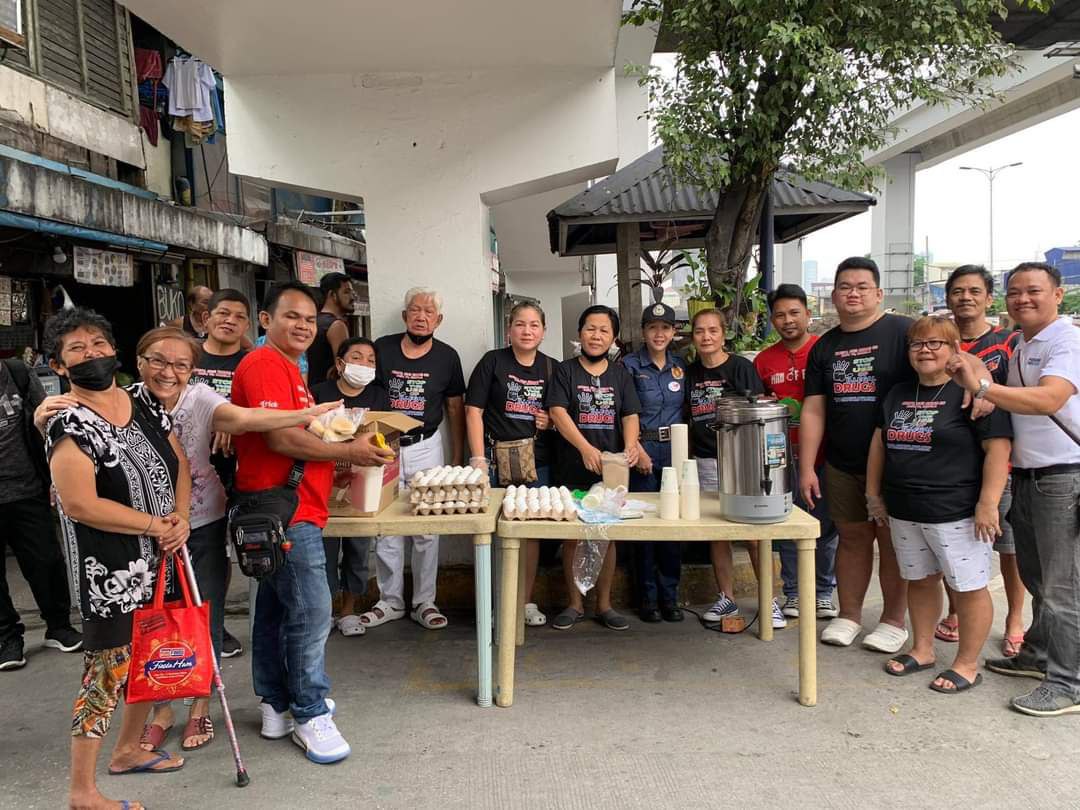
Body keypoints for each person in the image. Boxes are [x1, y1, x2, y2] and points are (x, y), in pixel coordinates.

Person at [35, 325, 339, 752]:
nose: (168, 371)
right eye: (158, 360)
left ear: (193, 370)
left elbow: (234, 425)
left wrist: (305, 415)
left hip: (196, 526)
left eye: (181, 364)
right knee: (147, 632)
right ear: (137, 362)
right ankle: (157, 712)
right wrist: (40, 415)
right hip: (130, 542)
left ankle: (198, 708)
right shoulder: (108, 404)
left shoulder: (176, 400)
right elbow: (74, 477)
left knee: (202, 619)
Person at [231, 281, 395, 762]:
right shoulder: (263, 364)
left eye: (309, 319)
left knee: (278, 610)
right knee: (312, 610)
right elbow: (281, 440)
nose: (303, 325)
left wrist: (335, 447)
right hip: (284, 509)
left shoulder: (290, 369)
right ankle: (309, 712)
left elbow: (295, 433)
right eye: (291, 316)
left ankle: (277, 704)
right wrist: (349, 450)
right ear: (267, 321)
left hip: (290, 503)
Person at [43, 308, 191, 810]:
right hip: (110, 569)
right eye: (77, 349)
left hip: (163, 558)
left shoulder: (143, 401)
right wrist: (156, 525)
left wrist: (181, 518)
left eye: (99, 344)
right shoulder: (67, 420)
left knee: (150, 661)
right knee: (106, 672)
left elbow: (180, 462)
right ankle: (82, 792)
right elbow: (80, 503)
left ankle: (128, 750)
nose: (92, 354)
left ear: (115, 351)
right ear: (59, 365)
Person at [946, 261, 1080, 717]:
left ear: (1058, 295)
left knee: (1064, 587)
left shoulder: (1067, 339)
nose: (1023, 299)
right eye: (1016, 292)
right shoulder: (1022, 343)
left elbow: (1049, 399)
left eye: (1034, 291)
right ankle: (1038, 655)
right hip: (1028, 474)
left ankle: (1068, 684)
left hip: (1064, 475)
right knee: (1038, 576)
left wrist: (985, 387)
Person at [867, 316, 1011, 693]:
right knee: (919, 580)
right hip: (905, 509)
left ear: (954, 350)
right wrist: (874, 494)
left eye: (936, 344)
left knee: (968, 586)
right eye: (918, 344)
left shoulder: (973, 394)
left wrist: (988, 503)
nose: (926, 350)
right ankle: (923, 648)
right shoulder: (898, 393)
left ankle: (966, 664)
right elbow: (879, 445)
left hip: (956, 511)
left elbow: (998, 449)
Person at [800, 257, 914, 653]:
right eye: (845, 286)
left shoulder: (905, 332)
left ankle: (893, 621)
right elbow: (814, 410)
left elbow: (944, 372)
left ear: (878, 293)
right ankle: (849, 615)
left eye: (862, 286)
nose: (853, 293)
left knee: (893, 541)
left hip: (898, 463)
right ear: (833, 295)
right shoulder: (825, 347)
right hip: (842, 462)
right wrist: (807, 467)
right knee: (851, 538)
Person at [935, 265, 1025, 657]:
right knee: (950, 545)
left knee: (1009, 547)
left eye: (974, 291)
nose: (965, 297)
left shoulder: (1010, 343)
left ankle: (1015, 619)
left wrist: (990, 388)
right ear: (947, 298)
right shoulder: (940, 345)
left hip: (1001, 462)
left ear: (989, 298)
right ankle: (955, 611)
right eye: (957, 291)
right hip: (950, 465)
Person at [364, 287, 465, 631]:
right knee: (386, 526)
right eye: (415, 310)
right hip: (385, 445)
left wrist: (455, 457)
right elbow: (367, 395)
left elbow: (455, 408)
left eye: (429, 312)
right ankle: (389, 601)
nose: (421, 316)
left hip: (427, 446)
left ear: (439, 319)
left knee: (427, 526)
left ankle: (424, 601)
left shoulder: (448, 357)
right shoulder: (383, 348)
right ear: (405, 315)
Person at [685, 308, 785, 628]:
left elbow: (757, 414)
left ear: (724, 334)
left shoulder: (741, 368)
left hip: (741, 460)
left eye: (713, 330)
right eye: (700, 331)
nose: (706, 337)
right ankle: (726, 598)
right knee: (718, 533)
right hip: (705, 461)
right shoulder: (690, 373)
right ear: (693, 336)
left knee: (754, 533)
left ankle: (769, 600)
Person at [547, 305, 641, 632]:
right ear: (579, 333)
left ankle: (604, 605)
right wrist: (585, 448)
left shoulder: (620, 374)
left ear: (613, 338)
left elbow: (629, 414)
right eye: (590, 328)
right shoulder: (564, 371)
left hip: (610, 471)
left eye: (603, 330)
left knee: (606, 537)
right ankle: (574, 604)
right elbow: (557, 412)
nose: (596, 335)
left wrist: (629, 446)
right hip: (572, 465)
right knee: (573, 535)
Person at [465, 302, 555, 627]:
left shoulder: (551, 368)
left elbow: (562, 413)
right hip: (493, 462)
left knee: (528, 534)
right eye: (520, 324)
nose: (527, 331)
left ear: (543, 331)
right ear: (509, 329)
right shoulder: (492, 362)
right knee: (489, 533)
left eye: (534, 325)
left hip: (537, 464)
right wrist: (477, 459)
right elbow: (472, 410)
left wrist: (551, 422)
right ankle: (492, 604)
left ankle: (524, 602)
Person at [753, 284, 839, 620]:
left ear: (807, 313)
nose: (787, 320)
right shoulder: (764, 361)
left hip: (825, 456)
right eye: (780, 315)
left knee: (825, 526)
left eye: (794, 312)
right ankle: (792, 593)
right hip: (781, 457)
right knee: (786, 524)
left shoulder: (826, 350)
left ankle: (822, 592)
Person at [0, 356, 83, 671]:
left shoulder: (17, 374)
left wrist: (56, 476)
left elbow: (48, 423)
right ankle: (7, 638)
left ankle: (59, 626)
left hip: (28, 487)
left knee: (46, 560)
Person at [311, 337, 390, 637]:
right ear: (340, 363)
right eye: (357, 357)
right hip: (324, 479)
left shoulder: (379, 396)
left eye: (371, 360)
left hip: (365, 481)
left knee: (358, 549)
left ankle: (348, 611)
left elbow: (385, 435)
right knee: (324, 550)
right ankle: (327, 609)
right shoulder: (321, 392)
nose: (365, 364)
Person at [190, 287, 253, 658]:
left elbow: (262, 408)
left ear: (247, 324)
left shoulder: (252, 362)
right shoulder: (188, 359)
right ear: (206, 318)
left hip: (237, 468)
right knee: (200, 548)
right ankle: (200, 629)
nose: (229, 321)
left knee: (226, 548)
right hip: (191, 468)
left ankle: (215, 622)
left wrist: (233, 420)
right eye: (222, 313)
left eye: (238, 316)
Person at [623, 303, 685, 623]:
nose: (659, 334)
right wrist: (635, 448)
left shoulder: (681, 366)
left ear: (674, 333)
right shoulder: (630, 365)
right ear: (643, 332)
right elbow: (624, 411)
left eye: (665, 328)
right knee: (645, 527)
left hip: (674, 454)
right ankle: (646, 598)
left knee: (672, 525)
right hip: (644, 450)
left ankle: (670, 596)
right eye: (652, 328)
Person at [308, 272, 355, 385]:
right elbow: (344, 369)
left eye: (352, 292)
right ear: (332, 295)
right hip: (329, 392)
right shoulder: (336, 325)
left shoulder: (313, 320)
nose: (352, 297)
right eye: (346, 292)